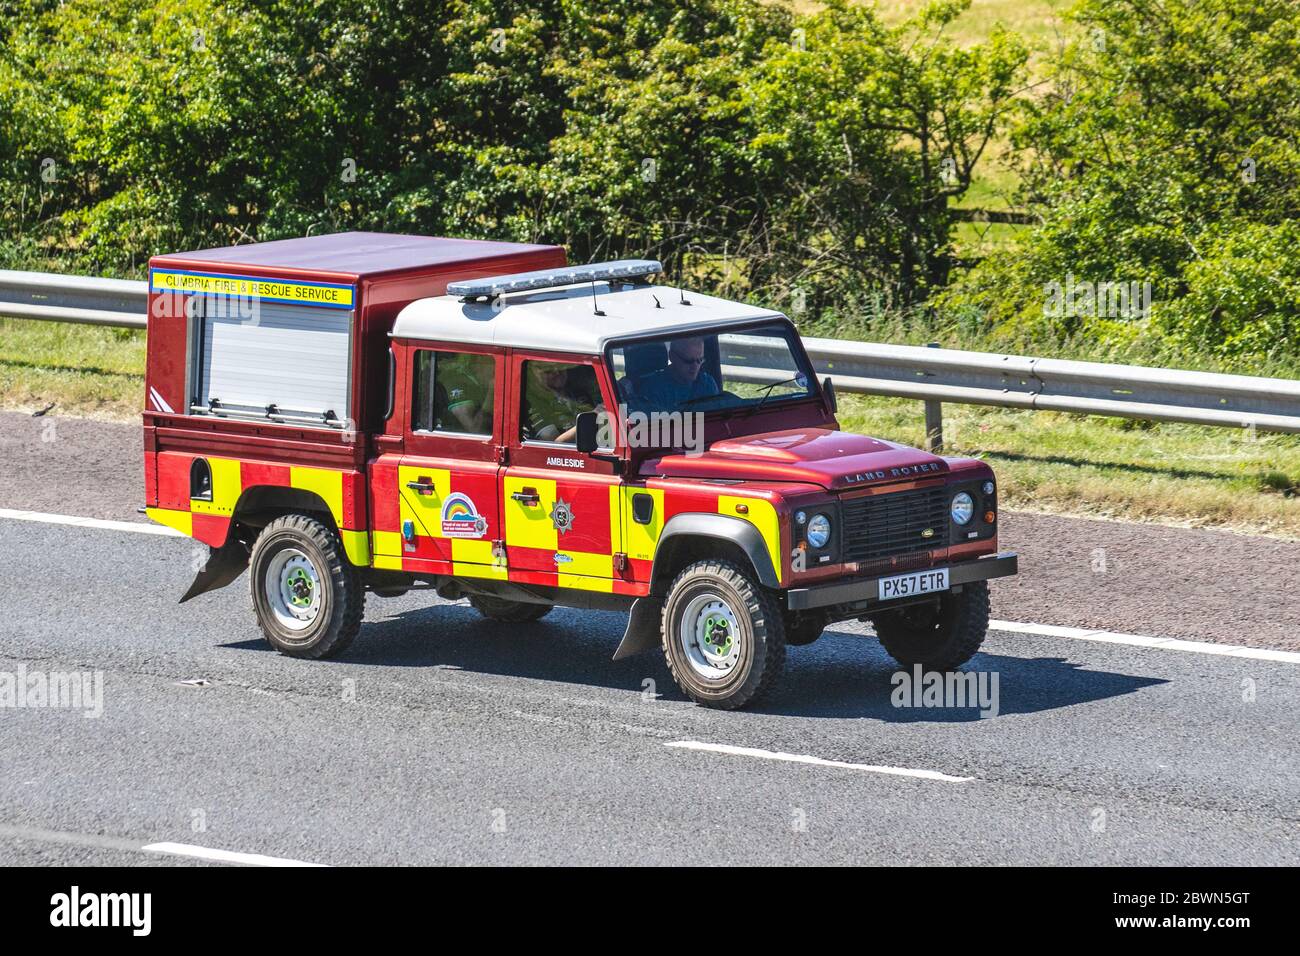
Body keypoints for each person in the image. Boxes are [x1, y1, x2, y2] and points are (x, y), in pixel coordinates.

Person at [522, 362, 602, 444]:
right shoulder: (535, 405)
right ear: (536, 374)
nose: (557, 372)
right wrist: (594, 416)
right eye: (549, 370)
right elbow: (554, 444)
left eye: (561, 367)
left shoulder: (578, 393)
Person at [638, 336, 719, 411]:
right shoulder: (653, 390)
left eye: (700, 360)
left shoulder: (707, 384)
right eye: (688, 361)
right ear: (672, 356)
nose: (695, 367)